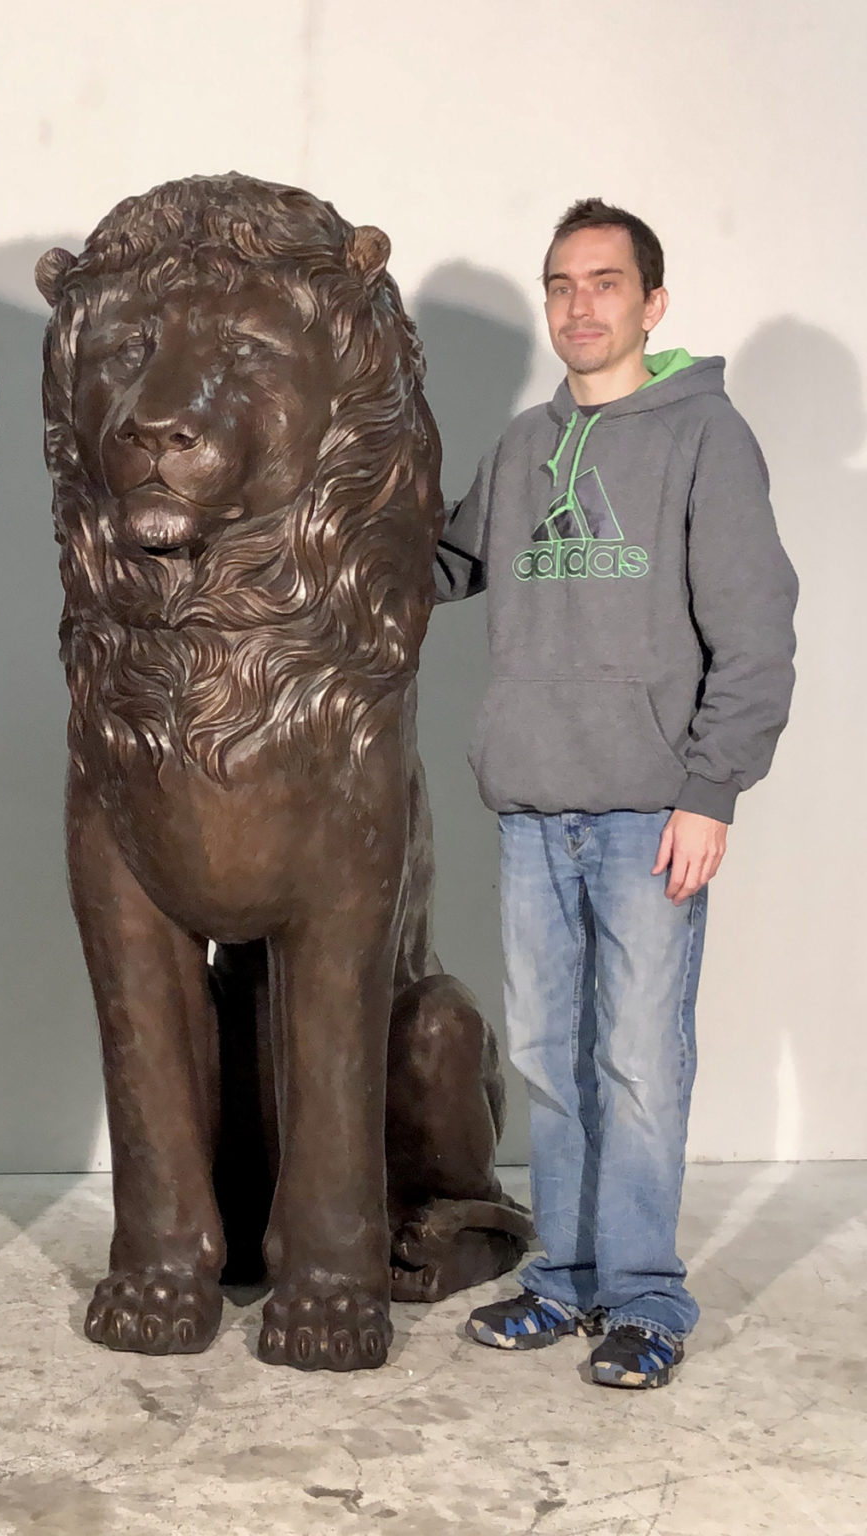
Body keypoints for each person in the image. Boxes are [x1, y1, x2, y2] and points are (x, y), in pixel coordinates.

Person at [434, 198, 797, 1389]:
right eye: (560, 284)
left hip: (650, 811)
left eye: (604, 283)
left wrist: (712, 791)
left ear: (653, 302)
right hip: (537, 808)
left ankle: (648, 1298)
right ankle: (567, 1281)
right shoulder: (525, 448)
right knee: (550, 1054)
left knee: (640, 1061)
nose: (578, 306)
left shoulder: (706, 438)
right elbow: (446, 563)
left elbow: (755, 636)